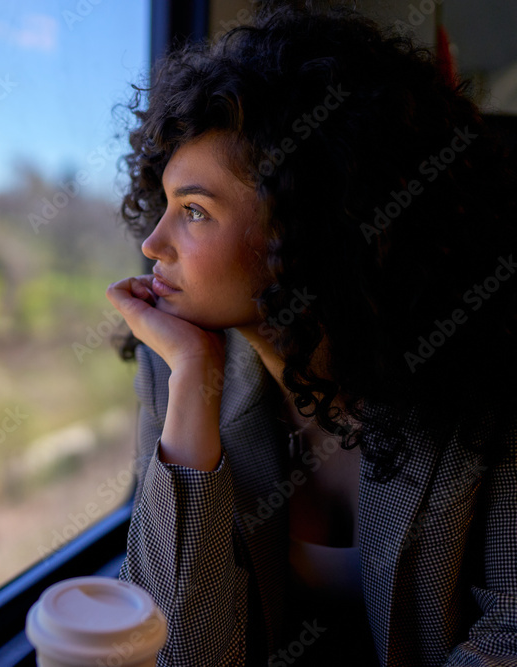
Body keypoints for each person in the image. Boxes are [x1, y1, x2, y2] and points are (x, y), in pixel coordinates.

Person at [105, 4, 517, 666]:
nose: (154, 244)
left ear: (309, 228)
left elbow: (510, 632)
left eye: (195, 211)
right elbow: (176, 651)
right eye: (167, 204)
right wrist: (191, 382)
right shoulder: (174, 365)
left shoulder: (486, 377)